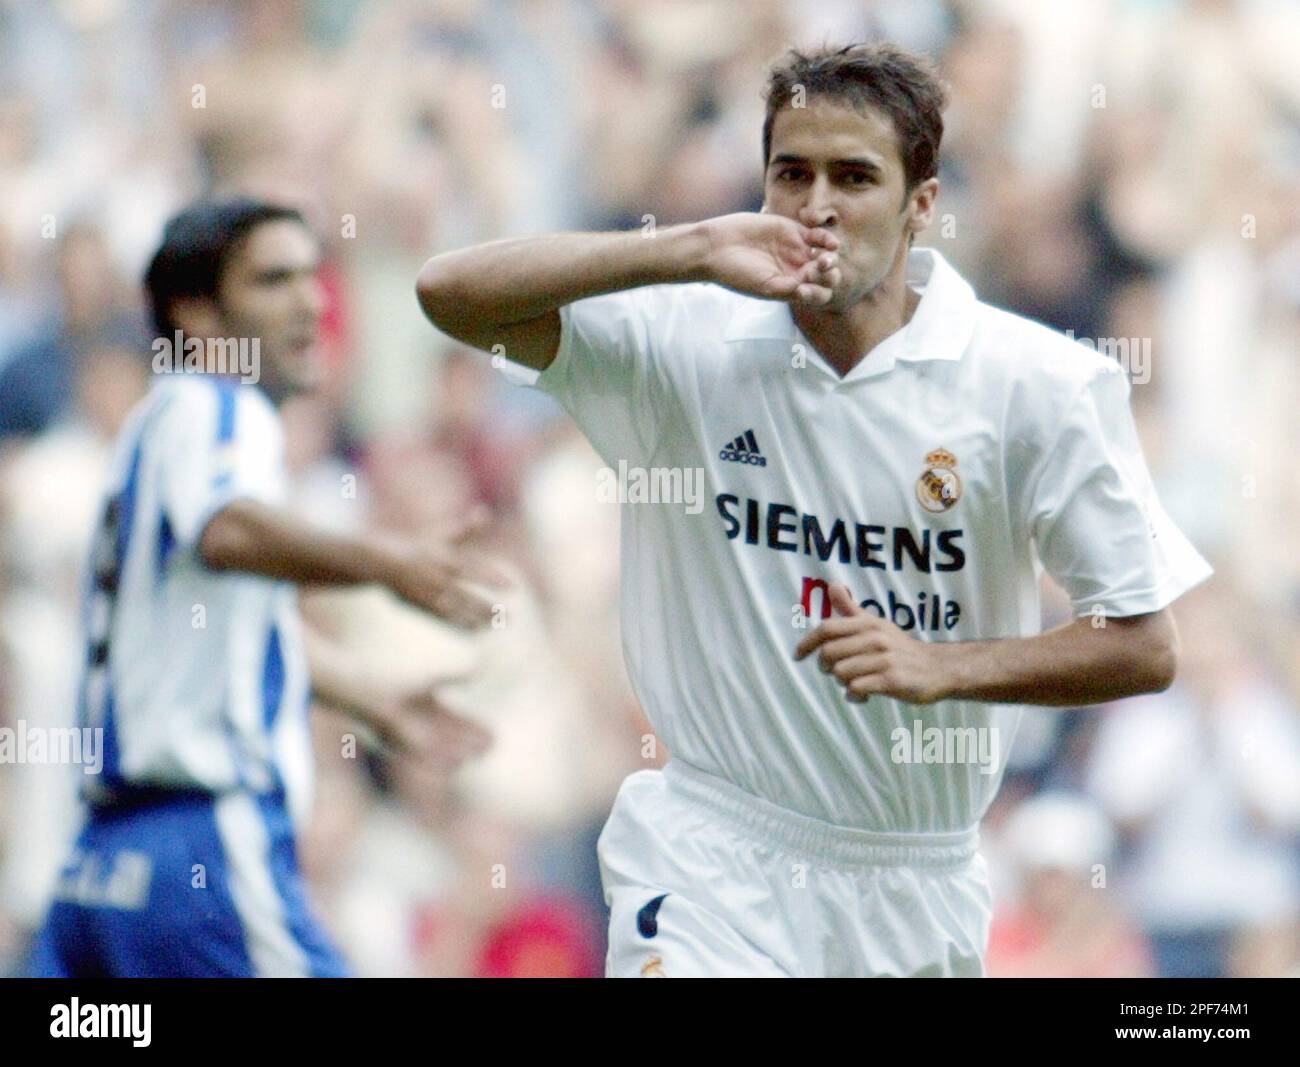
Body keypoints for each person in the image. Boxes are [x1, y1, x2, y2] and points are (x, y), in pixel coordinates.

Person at [416, 43, 1212, 978]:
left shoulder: (1038, 385)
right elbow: (448, 294)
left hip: (913, 878)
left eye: (855, 177)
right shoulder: (684, 336)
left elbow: (1144, 643)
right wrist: (683, 247)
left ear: (923, 204)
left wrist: (943, 667)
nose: (818, 204)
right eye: (791, 173)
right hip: (711, 853)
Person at [28, 197, 496, 978]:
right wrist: (388, 562)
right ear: (198, 314)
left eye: (313, 275)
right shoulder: (219, 403)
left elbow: (222, 622)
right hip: (202, 844)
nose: (311, 299)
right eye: (274, 280)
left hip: (103, 866)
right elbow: (229, 530)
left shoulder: (156, 427)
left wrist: (368, 697)